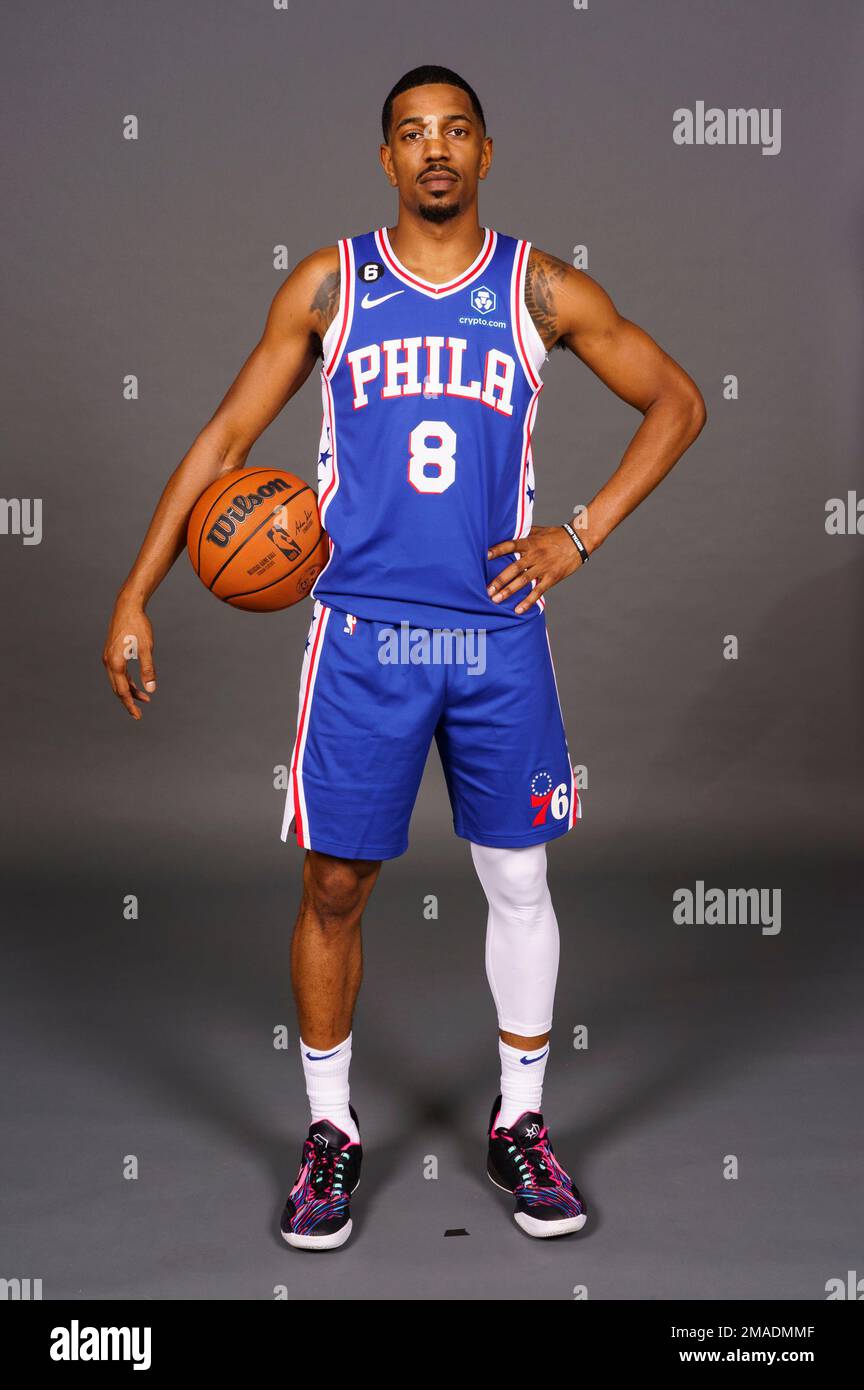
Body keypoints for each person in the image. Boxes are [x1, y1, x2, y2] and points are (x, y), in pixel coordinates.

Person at [103, 64, 707, 1252]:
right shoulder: (332, 286)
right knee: (333, 888)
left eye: (456, 132)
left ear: (487, 151)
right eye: (411, 135)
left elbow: (679, 400)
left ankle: (519, 1124)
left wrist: (578, 533)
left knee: (520, 881)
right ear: (386, 160)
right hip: (363, 639)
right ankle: (330, 1133)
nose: (435, 151)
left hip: (496, 634)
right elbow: (224, 437)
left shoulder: (539, 289)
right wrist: (135, 591)